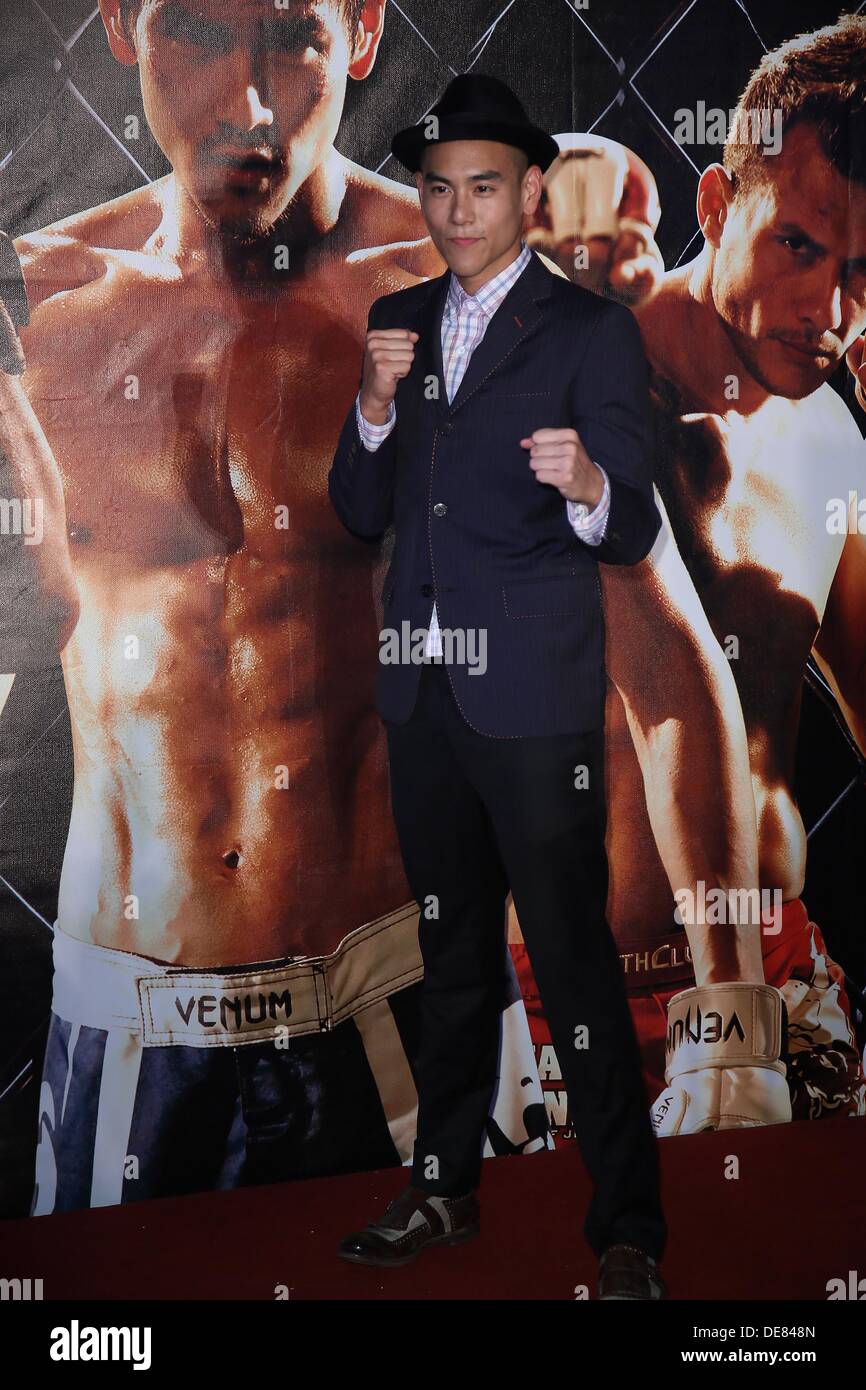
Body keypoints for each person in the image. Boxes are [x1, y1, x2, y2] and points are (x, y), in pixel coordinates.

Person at [0, 0, 551, 1215]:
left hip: (403, 993)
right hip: (131, 1027)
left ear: (361, 34)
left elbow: (641, 641)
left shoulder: (462, 286)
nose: (246, 104)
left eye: (293, 41)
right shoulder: (29, 316)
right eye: (195, 30)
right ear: (119, 27)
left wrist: (713, 1008)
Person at [328, 73, 668, 1299]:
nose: (458, 210)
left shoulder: (589, 332)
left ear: (529, 193)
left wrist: (585, 481)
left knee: (572, 961)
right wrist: (370, 406)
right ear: (420, 197)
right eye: (438, 188)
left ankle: (627, 1224)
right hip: (422, 701)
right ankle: (442, 1189)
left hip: (530, 707)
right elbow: (361, 510)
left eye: (483, 188)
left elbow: (630, 527)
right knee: (451, 957)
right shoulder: (396, 320)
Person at [516, 16, 866, 1132]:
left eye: (863, 271)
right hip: (550, 1009)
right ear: (714, 207)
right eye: (797, 248)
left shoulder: (831, 441)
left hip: (776, 985)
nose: (828, 311)